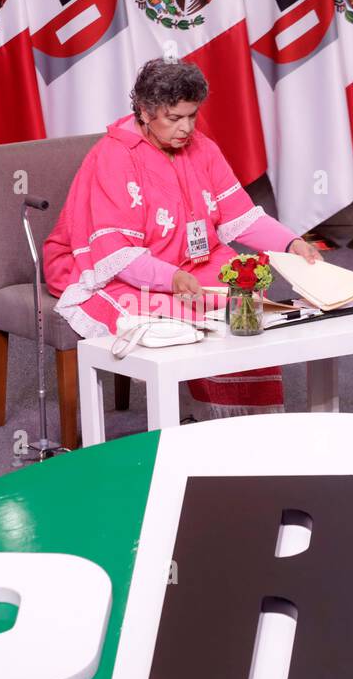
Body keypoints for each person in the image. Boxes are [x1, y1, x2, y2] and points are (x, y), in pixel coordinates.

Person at [44, 57, 323, 418]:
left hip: (188, 258)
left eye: (192, 116)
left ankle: (240, 426)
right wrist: (169, 278)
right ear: (144, 111)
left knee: (243, 299)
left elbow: (239, 214)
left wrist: (290, 243)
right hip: (113, 266)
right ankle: (189, 423)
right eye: (174, 118)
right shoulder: (113, 156)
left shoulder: (203, 147)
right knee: (174, 318)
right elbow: (116, 251)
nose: (186, 127)